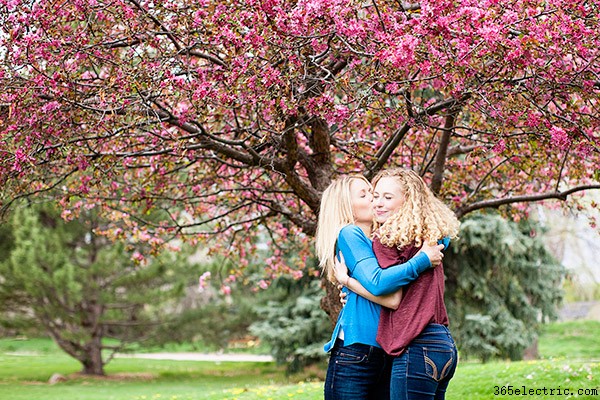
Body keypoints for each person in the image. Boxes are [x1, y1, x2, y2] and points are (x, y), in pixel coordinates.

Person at [333, 168, 460, 400]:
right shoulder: (431, 234)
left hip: (416, 346)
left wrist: (347, 281)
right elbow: (445, 238)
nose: (376, 203)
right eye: (374, 196)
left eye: (386, 197)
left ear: (407, 201)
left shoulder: (388, 240)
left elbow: (384, 289)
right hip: (444, 344)